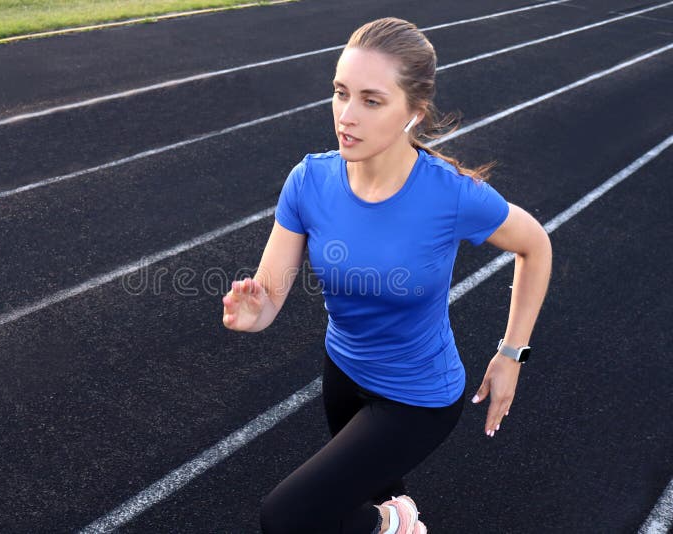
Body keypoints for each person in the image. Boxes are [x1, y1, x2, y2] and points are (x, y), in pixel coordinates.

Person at [221, 17, 552, 534]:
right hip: (343, 378)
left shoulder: (450, 195)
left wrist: (512, 355)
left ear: (413, 113)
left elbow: (536, 246)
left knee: (288, 520)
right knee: (360, 499)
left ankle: (398, 523)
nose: (346, 116)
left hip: (418, 398)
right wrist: (252, 312)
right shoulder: (309, 180)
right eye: (340, 93)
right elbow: (268, 297)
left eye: (371, 101)